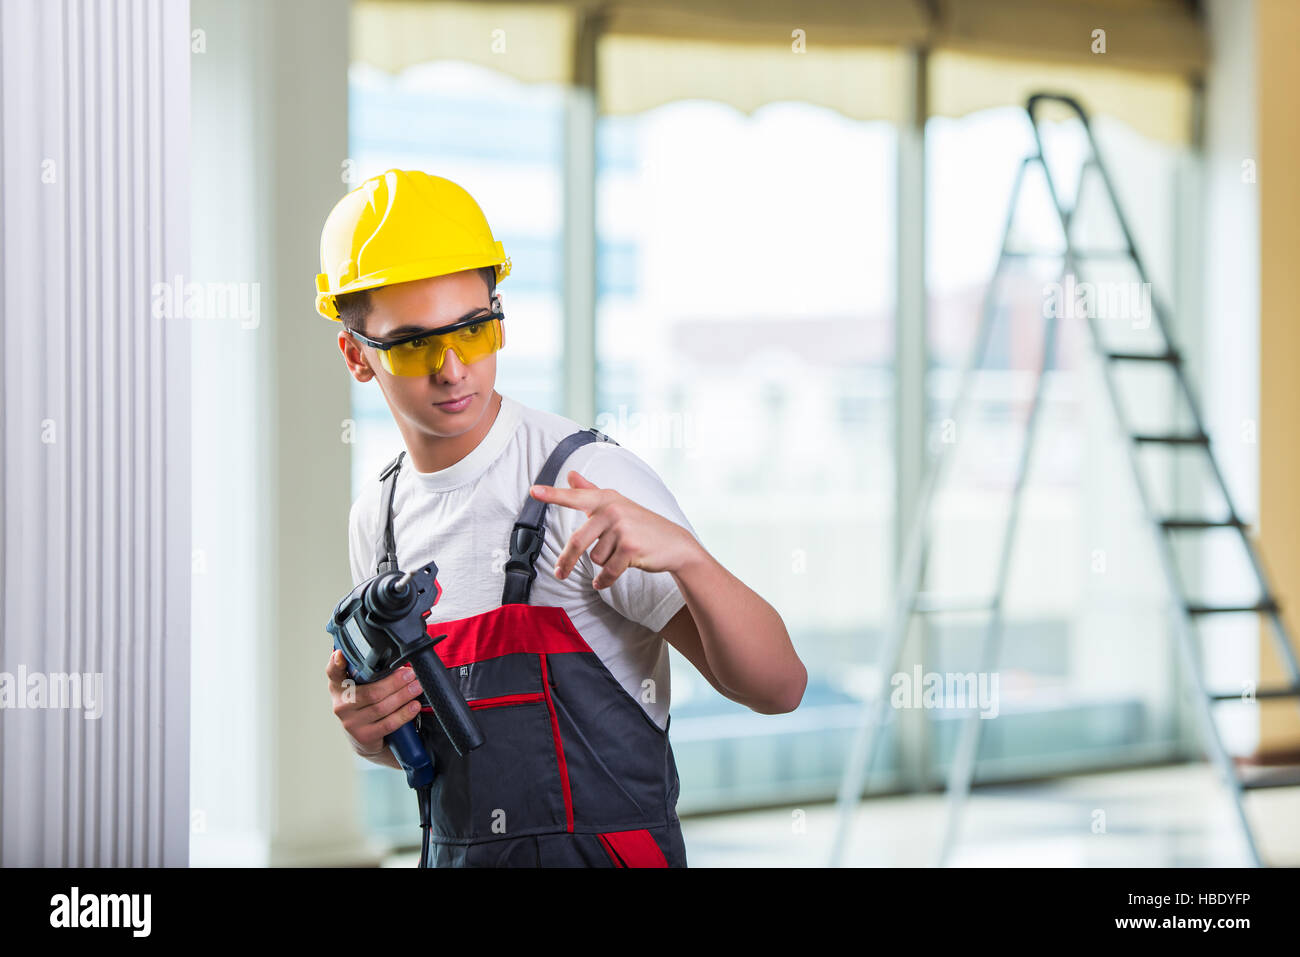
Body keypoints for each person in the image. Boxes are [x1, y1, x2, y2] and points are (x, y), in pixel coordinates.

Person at [318, 169, 806, 867]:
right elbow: (437, 753)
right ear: (356, 356)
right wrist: (371, 730)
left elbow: (779, 686)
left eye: (474, 329)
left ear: (501, 317)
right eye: (415, 343)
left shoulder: (584, 482)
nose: (454, 368)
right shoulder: (381, 521)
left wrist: (688, 559)